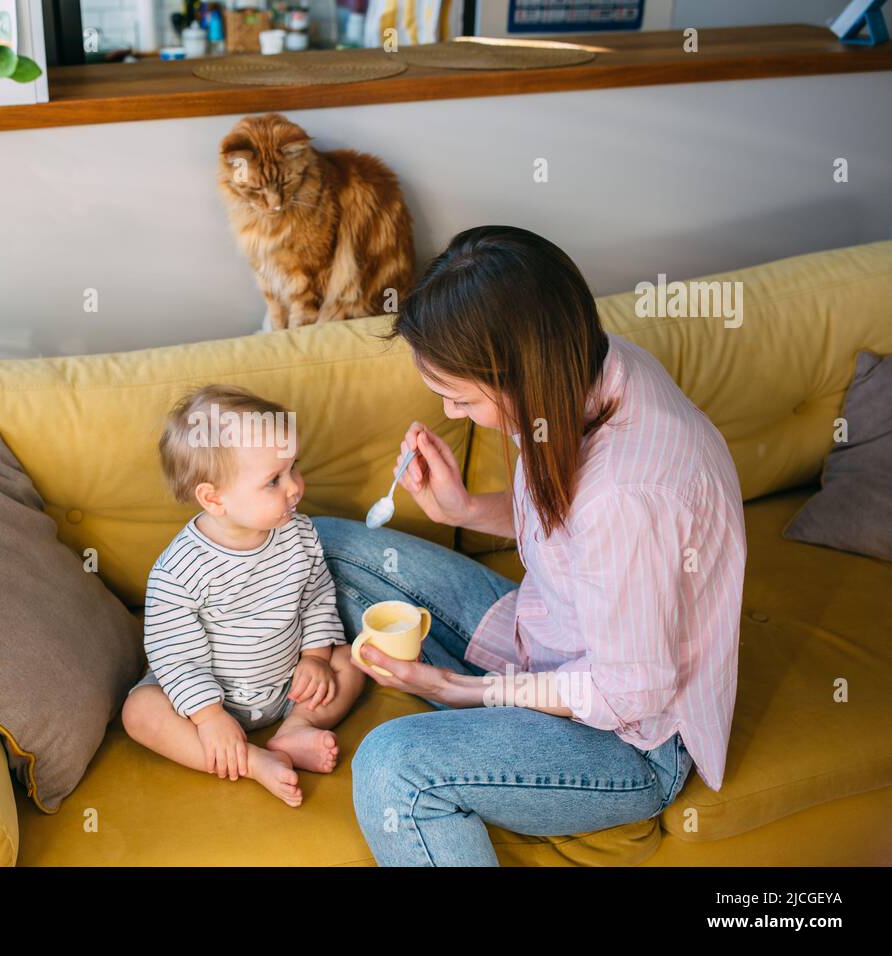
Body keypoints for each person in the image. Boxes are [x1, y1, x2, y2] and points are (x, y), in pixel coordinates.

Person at [314, 224, 746, 865]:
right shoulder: (590, 369)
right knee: (315, 543)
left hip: (625, 737)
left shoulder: (625, 496)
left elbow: (631, 692)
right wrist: (461, 508)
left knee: (394, 767)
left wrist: (469, 692)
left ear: (518, 374)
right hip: (545, 636)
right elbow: (574, 536)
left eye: (458, 398)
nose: (453, 415)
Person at [122, 384, 366, 807]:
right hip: (209, 702)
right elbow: (174, 655)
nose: (293, 488)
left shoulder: (298, 534)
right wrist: (210, 717)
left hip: (289, 686)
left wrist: (315, 658)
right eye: (273, 480)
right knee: (140, 712)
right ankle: (251, 761)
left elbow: (317, 598)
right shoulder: (178, 571)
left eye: (293, 468)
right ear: (214, 498)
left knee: (356, 657)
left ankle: (295, 731)